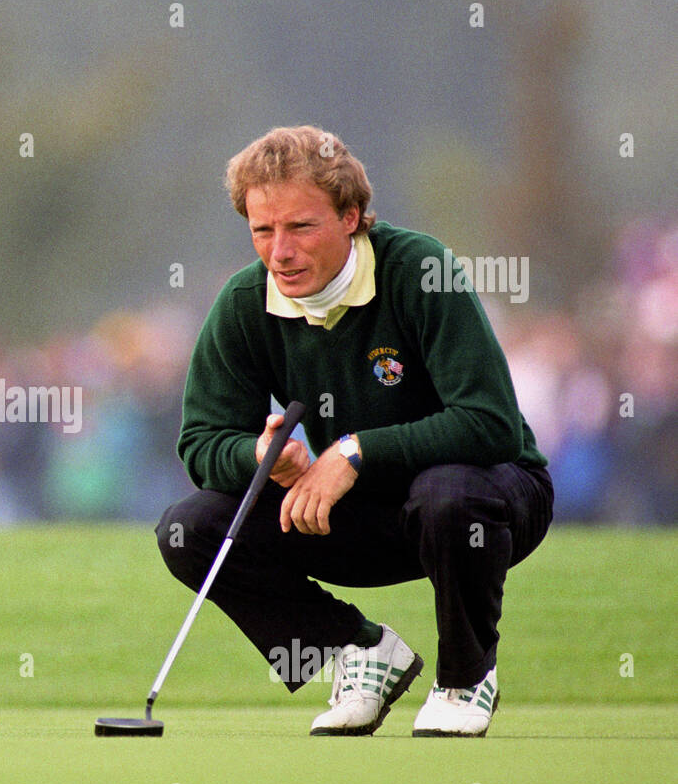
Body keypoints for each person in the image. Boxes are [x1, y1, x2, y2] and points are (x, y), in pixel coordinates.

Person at [156, 125, 553, 737]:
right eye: (263, 231)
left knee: (445, 493)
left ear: (352, 216)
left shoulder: (420, 269)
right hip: (356, 515)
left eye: (300, 227)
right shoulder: (244, 303)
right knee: (190, 528)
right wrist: (260, 455)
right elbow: (203, 443)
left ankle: (465, 678)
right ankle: (358, 650)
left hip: (489, 502)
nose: (279, 251)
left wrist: (355, 452)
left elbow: (490, 424)